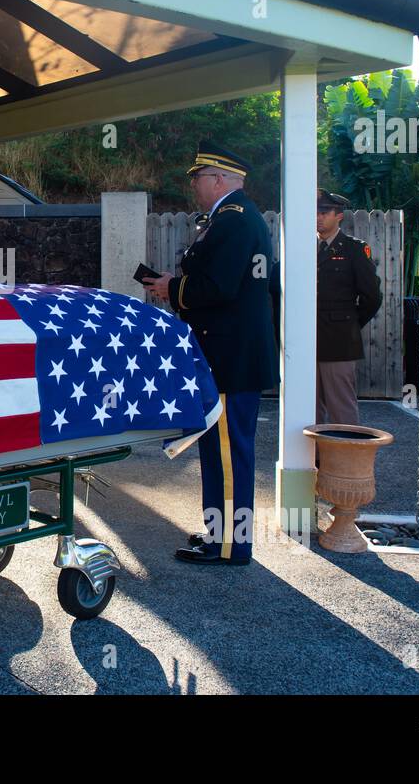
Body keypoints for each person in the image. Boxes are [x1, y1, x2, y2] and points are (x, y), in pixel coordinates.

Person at [143, 142, 277, 566]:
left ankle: (230, 545)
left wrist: (172, 289)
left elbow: (219, 287)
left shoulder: (233, 220)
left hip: (229, 357)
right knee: (220, 449)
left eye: (198, 177)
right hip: (229, 353)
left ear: (219, 178)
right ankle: (219, 533)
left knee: (229, 453)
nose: (194, 185)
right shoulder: (230, 218)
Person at [315, 190, 382, 425]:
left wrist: (349, 323)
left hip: (339, 341)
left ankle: (344, 460)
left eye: (324, 212)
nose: (318, 217)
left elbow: (371, 296)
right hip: (305, 342)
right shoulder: (302, 248)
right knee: (306, 409)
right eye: (314, 212)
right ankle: (313, 459)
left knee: (341, 408)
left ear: (339, 216)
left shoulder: (354, 249)